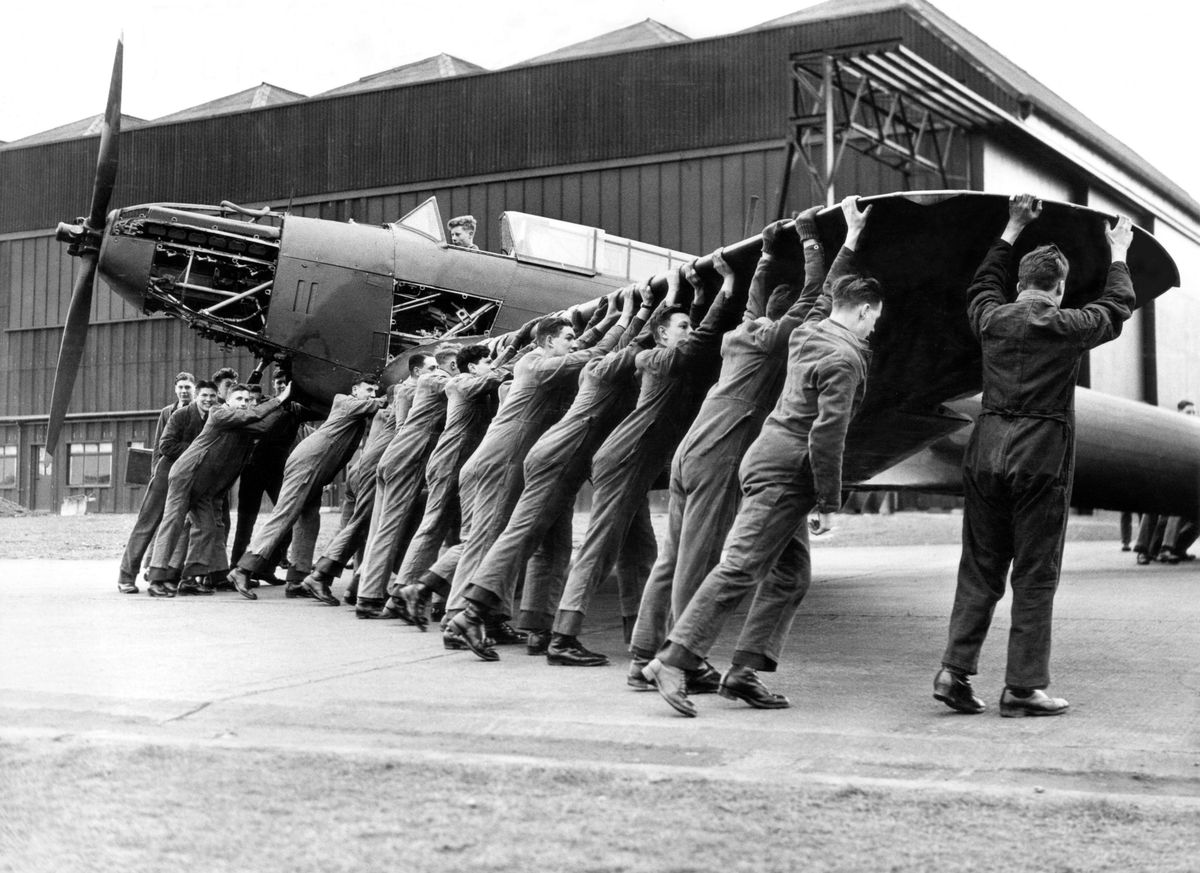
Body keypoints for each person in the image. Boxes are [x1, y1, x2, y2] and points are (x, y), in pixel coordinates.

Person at [644, 209, 883, 718]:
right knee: (739, 567)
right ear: (864, 312)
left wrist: (810, 243)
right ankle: (673, 658)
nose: (873, 328)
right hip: (787, 471)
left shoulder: (802, 333)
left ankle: (743, 671)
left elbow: (816, 298)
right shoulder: (838, 354)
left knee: (790, 575)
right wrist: (828, 500)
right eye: (874, 318)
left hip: (764, 459)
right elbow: (828, 432)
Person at [933, 195, 1135, 718]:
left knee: (979, 567)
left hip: (985, 450)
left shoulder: (991, 319)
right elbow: (1116, 308)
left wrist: (1012, 226)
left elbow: (980, 285)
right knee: (1035, 573)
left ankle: (953, 672)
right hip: (1040, 457)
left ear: (1021, 282)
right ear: (1059, 287)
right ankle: (1022, 687)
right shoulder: (1066, 325)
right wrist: (1118, 253)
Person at [545, 250, 745, 667]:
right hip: (626, 458)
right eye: (682, 327)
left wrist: (688, 295)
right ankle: (563, 638)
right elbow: (700, 340)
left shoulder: (668, 352)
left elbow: (690, 336)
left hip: (629, 458)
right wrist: (724, 290)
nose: (689, 331)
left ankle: (641, 638)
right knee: (600, 547)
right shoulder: (656, 358)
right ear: (661, 335)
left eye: (689, 324)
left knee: (640, 551)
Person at [438, 285, 649, 657]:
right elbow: (592, 353)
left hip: (527, 455)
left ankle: (536, 624)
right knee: (498, 535)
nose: (572, 341)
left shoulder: (541, 359)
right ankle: (463, 616)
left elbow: (581, 343)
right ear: (549, 342)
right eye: (566, 337)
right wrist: (631, 317)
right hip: (507, 456)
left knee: (551, 545)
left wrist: (607, 318)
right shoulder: (539, 364)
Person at [229, 375, 383, 599]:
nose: (372, 394)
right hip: (307, 464)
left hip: (317, 468)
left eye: (375, 391)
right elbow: (376, 405)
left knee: (309, 520)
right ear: (355, 389)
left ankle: (297, 578)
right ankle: (242, 570)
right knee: (285, 514)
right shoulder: (345, 401)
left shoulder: (359, 407)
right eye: (368, 390)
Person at [145, 382, 295, 596]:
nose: (244, 403)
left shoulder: (240, 422)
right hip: (186, 475)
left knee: (207, 529)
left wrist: (284, 407)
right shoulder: (219, 413)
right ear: (227, 401)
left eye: (247, 400)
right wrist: (280, 400)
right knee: (173, 523)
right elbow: (252, 418)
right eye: (239, 399)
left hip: (205, 485)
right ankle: (156, 579)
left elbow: (262, 426)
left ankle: (189, 578)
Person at [350, 344, 460, 618]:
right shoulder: (436, 383)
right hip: (408, 458)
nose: (434, 372)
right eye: (432, 367)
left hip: (393, 456)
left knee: (382, 527)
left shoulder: (408, 389)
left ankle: (363, 588)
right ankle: (369, 598)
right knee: (390, 528)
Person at [300, 382, 404, 602]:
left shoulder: (384, 413)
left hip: (359, 472)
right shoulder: (390, 413)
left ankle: (355, 586)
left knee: (357, 527)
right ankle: (321, 575)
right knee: (362, 525)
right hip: (370, 473)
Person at [118, 379, 216, 595]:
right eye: (204, 396)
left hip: (192, 478)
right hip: (166, 475)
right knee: (148, 524)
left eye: (212, 396)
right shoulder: (180, 415)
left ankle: (181, 577)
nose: (208, 400)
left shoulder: (214, 417)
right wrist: (196, 450)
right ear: (197, 396)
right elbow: (166, 445)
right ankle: (126, 576)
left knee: (197, 527)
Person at [229, 368, 304, 572]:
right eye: (278, 382)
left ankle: (268, 567)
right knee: (246, 522)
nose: (281, 385)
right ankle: (235, 566)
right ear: (274, 385)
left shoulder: (298, 408)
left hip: (278, 470)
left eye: (285, 382)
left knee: (286, 518)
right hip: (253, 470)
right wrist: (259, 369)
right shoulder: (265, 404)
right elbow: (242, 391)